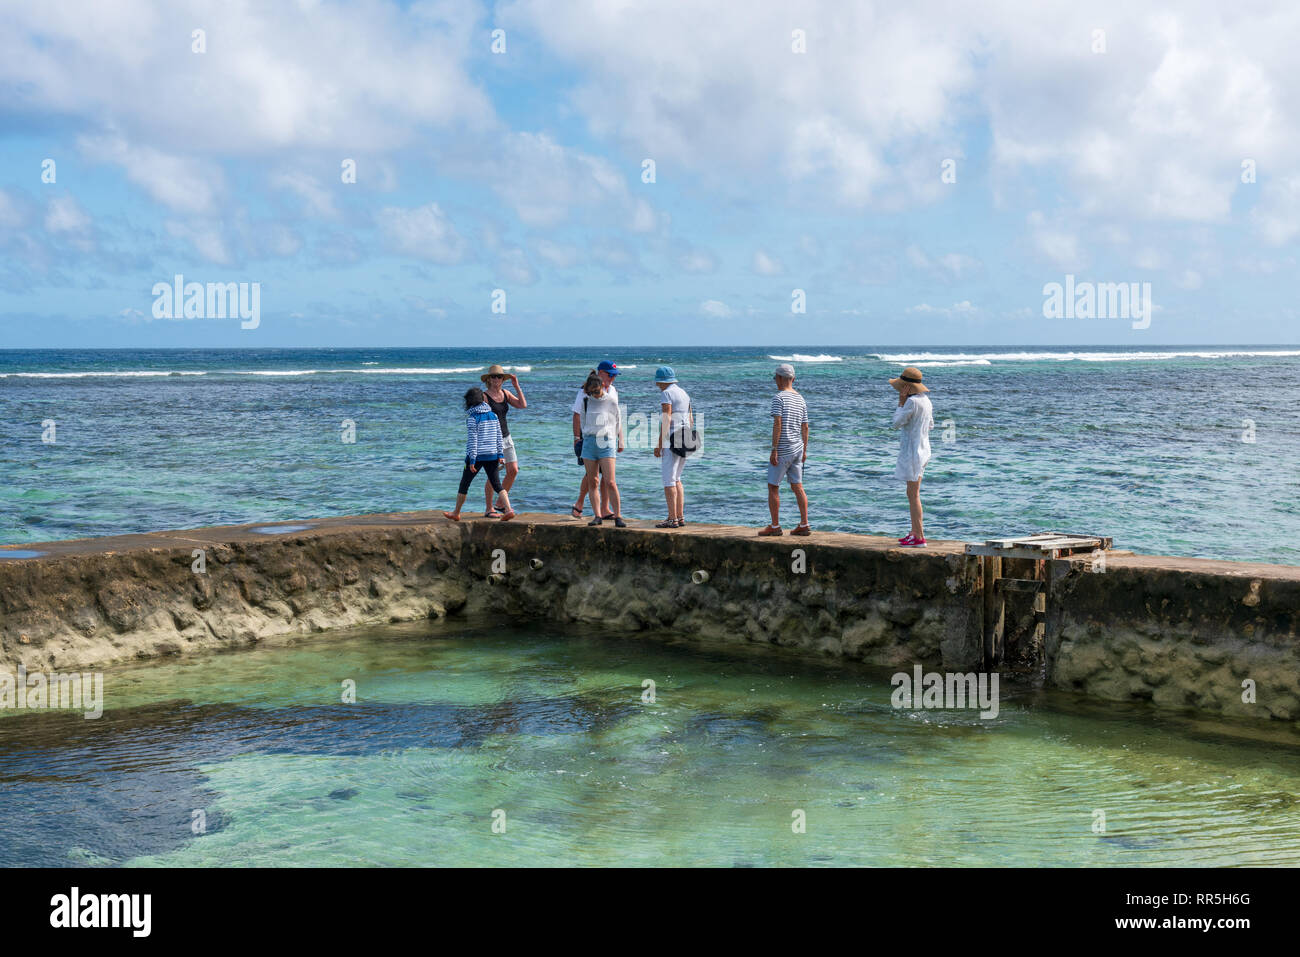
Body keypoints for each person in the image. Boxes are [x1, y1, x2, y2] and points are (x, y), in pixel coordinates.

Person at [443, 387, 514, 522]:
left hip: (477, 457)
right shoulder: (493, 416)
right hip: (493, 455)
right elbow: (499, 437)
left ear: (469, 402)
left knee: (464, 484)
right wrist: (500, 454)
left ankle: (456, 513)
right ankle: (509, 509)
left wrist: (472, 460)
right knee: (497, 485)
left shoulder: (473, 418)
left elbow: (473, 440)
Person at [759, 362, 810, 536]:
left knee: (773, 486)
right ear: (793, 379)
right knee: (798, 486)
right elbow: (805, 427)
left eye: (775, 378)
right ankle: (804, 523)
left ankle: (774, 527)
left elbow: (778, 423)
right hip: (798, 448)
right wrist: (804, 450)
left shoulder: (779, 398)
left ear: (780, 379)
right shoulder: (800, 398)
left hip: (783, 448)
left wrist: (774, 448)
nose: (775, 381)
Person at [890, 366, 934, 547]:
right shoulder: (926, 401)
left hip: (913, 452)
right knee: (912, 493)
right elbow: (930, 425)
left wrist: (901, 403)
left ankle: (919, 536)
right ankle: (914, 532)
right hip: (923, 450)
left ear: (905, 387)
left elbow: (896, 423)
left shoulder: (912, 402)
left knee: (913, 494)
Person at [570, 360, 620, 519]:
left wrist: (619, 438)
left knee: (607, 476)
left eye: (614, 376)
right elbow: (577, 414)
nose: (612, 379)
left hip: (608, 438)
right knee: (592, 476)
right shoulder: (585, 391)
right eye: (610, 375)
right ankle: (580, 503)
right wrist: (577, 437)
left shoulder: (612, 391)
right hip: (590, 438)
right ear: (601, 373)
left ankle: (604, 509)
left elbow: (617, 416)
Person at [578, 370, 626, 527]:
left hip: (607, 441)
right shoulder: (586, 401)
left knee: (610, 481)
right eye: (591, 392)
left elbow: (618, 421)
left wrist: (619, 440)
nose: (595, 395)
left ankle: (618, 516)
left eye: (597, 391)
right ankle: (597, 516)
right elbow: (583, 421)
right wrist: (583, 437)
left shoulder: (611, 401)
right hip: (589, 442)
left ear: (602, 386)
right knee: (593, 482)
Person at [480, 364, 527, 516]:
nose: (496, 379)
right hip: (492, 440)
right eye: (493, 376)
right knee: (493, 475)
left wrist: (516, 386)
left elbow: (522, 405)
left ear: (502, 379)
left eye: (499, 377)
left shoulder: (506, 393)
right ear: (489, 379)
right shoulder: (484, 397)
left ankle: (500, 503)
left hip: (506, 437)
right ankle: (489, 508)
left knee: (513, 470)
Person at [652, 365, 692, 528]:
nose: (657, 385)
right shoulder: (683, 393)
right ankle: (680, 516)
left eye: (658, 382)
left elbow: (666, 418)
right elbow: (690, 418)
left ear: (662, 381)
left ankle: (671, 518)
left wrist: (659, 444)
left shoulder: (666, 393)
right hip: (685, 438)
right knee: (677, 479)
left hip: (672, 440)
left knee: (668, 480)